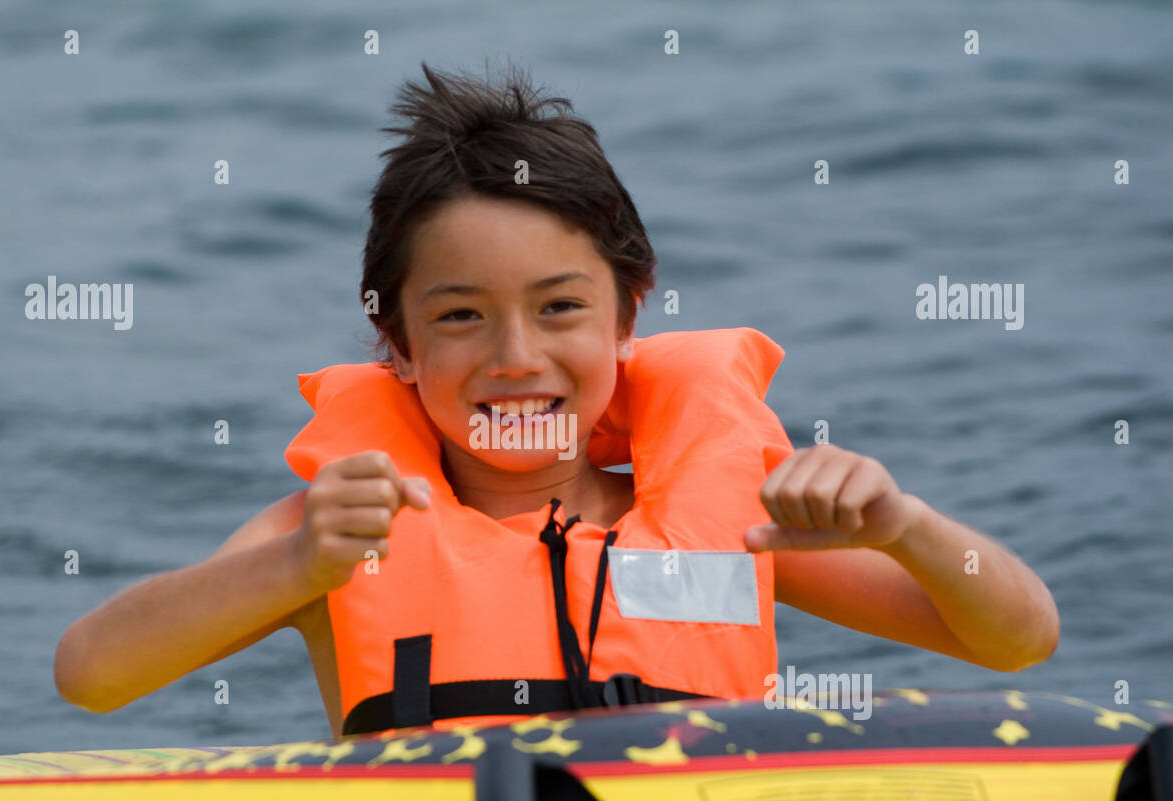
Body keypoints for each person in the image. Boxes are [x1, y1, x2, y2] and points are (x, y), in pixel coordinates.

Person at [55, 62, 1058, 740]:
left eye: (560, 307)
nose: (515, 356)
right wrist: (293, 562)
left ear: (630, 314)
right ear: (394, 344)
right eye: (459, 318)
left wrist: (908, 526)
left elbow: (1015, 637)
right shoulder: (340, 534)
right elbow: (93, 670)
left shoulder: (741, 528)